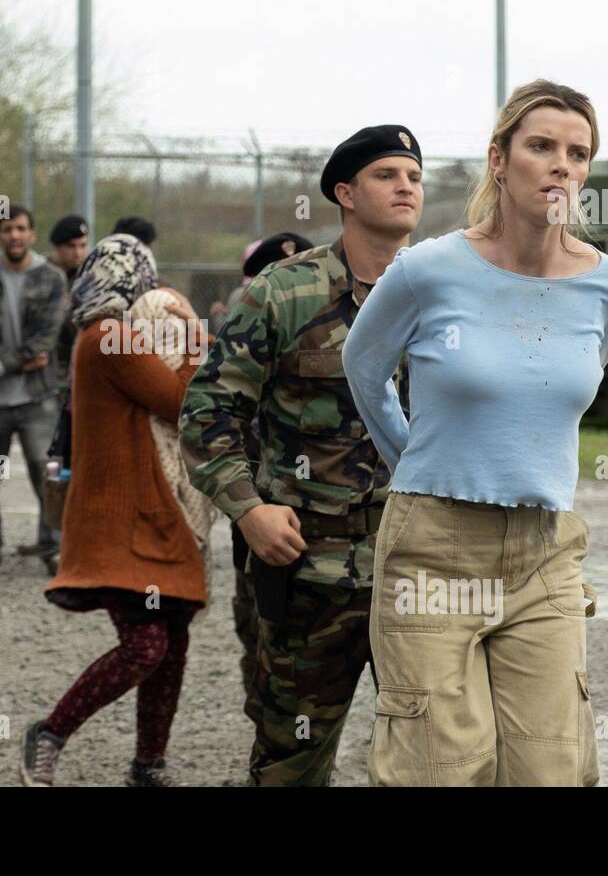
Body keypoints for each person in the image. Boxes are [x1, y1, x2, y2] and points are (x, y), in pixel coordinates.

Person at [343, 80, 608, 786]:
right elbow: (363, 363)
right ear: (499, 160)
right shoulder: (427, 270)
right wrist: (410, 455)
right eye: (542, 146)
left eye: (579, 152)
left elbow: (556, 388)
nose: (562, 165)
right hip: (434, 548)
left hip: (545, 550)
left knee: (552, 767)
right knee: (440, 768)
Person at [181, 125, 421, 786]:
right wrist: (249, 511)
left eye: (415, 176)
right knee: (294, 761)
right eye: (386, 174)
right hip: (311, 570)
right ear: (344, 193)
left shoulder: (443, 291)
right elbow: (208, 415)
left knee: (441, 756)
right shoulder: (284, 293)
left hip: (421, 564)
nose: (406, 185)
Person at [21, 235, 209, 787]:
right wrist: (196, 337)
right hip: (119, 518)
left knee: (171, 641)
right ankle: (49, 732)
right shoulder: (107, 338)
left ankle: (148, 763)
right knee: (145, 645)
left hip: (152, 513)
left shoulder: (109, 335)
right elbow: (181, 401)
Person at [213, 231, 314, 728]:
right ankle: (268, 733)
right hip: (257, 511)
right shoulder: (244, 330)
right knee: (258, 628)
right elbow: (215, 418)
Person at [0, 204, 67, 569]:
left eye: (21, 229)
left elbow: (45, 342)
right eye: (7, 229)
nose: (15, 236)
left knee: (49, 474)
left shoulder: (52, 278)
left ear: (32, 234)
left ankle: (52, 546)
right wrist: (14, 361)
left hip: (38, 396)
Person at [47, 214, 89, 385]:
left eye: (83, 246)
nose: (78, 252)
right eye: (71, 246)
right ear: (57, 247)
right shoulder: (42, 277)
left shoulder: (90, 278)